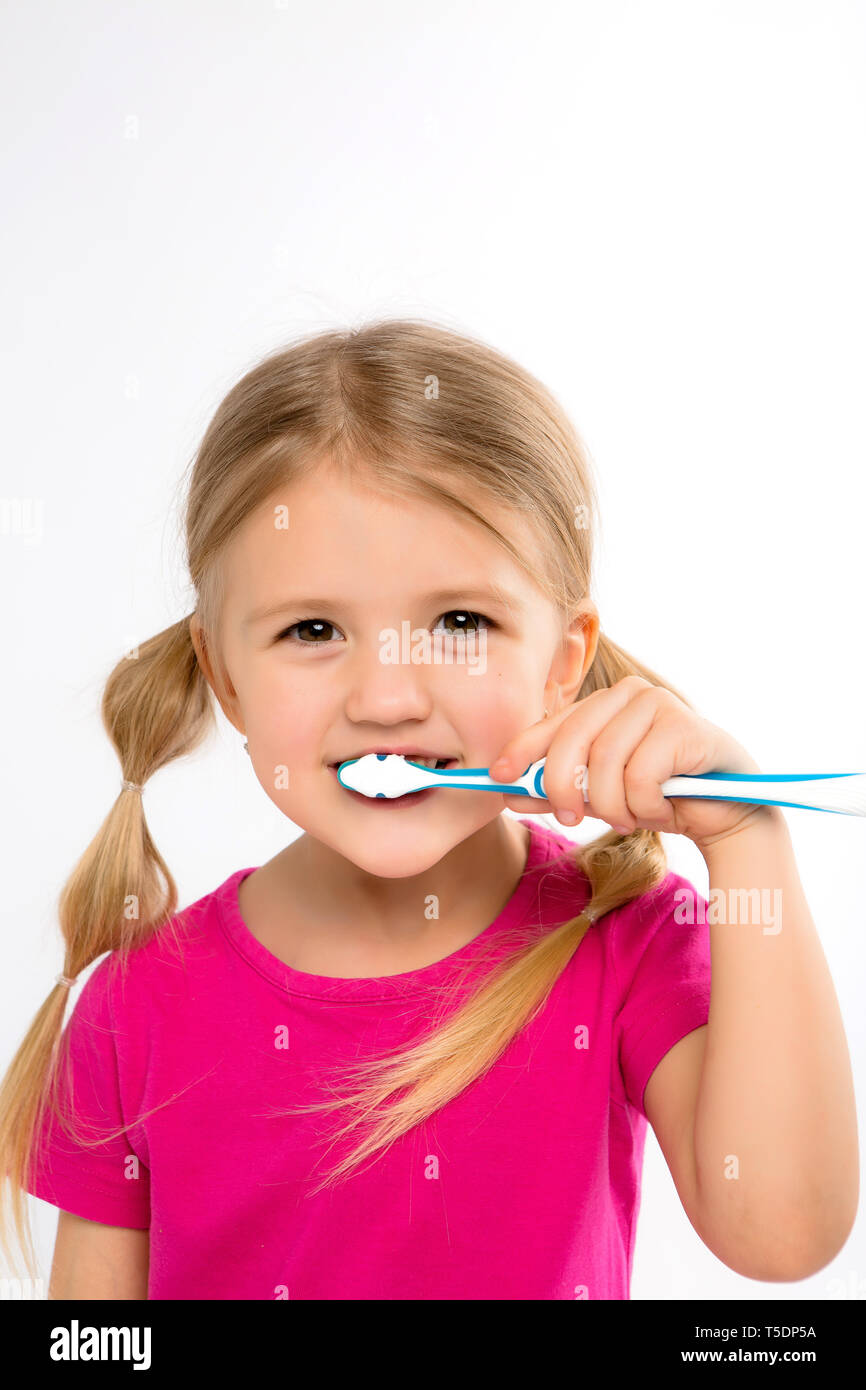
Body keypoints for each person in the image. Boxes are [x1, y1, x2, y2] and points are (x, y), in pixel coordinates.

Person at [0, 318, 857, 1299]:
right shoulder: (138, 1005)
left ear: (559, 665)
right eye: (313, 628)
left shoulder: (625, 947)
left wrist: (746, 837)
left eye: (459, 622)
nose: (389, 696)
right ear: (223, 676)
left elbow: (784, 1233)